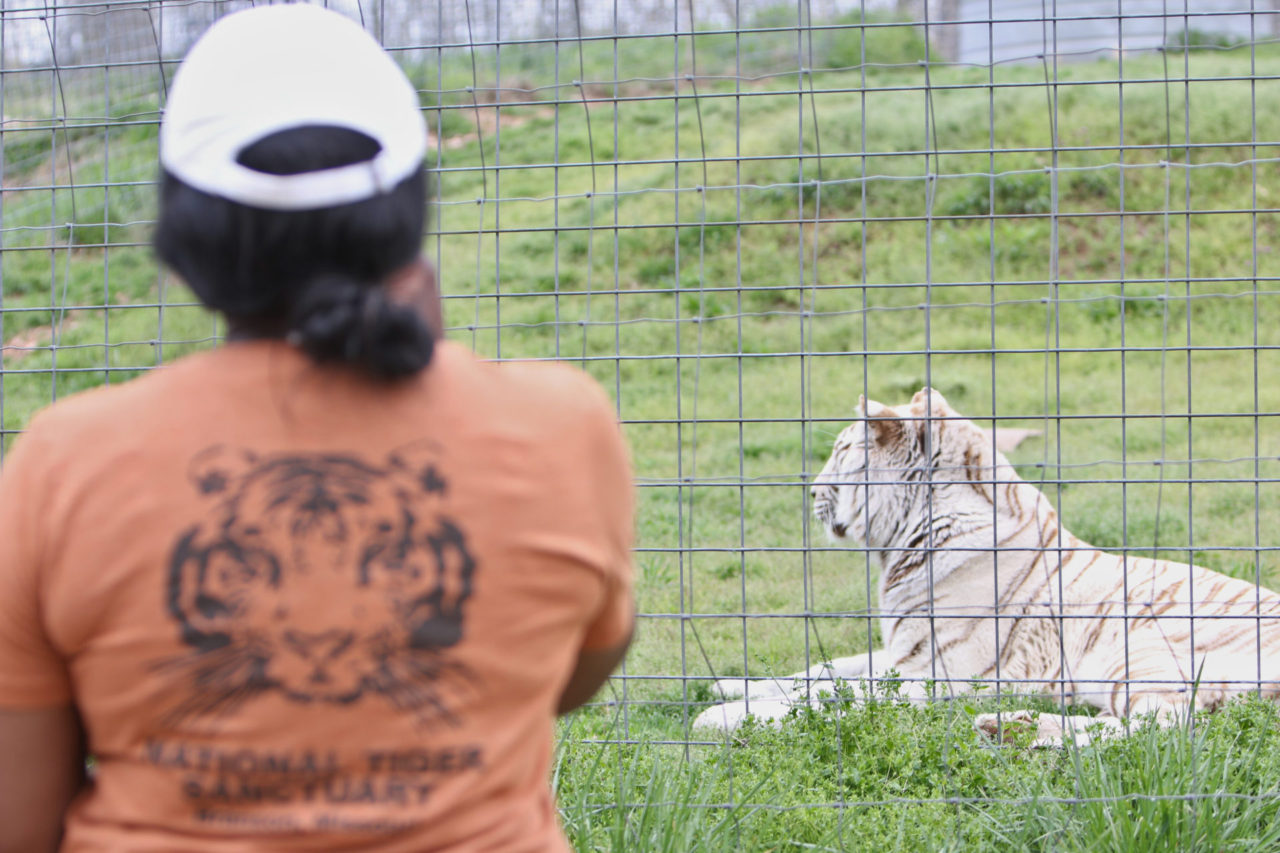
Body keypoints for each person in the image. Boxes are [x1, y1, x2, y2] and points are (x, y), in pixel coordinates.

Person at [0, 6, 634, 851]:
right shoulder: (564, 425)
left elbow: (18, 822)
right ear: (408, 213)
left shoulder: (60, 461)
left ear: (186, 239)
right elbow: (565, 679)